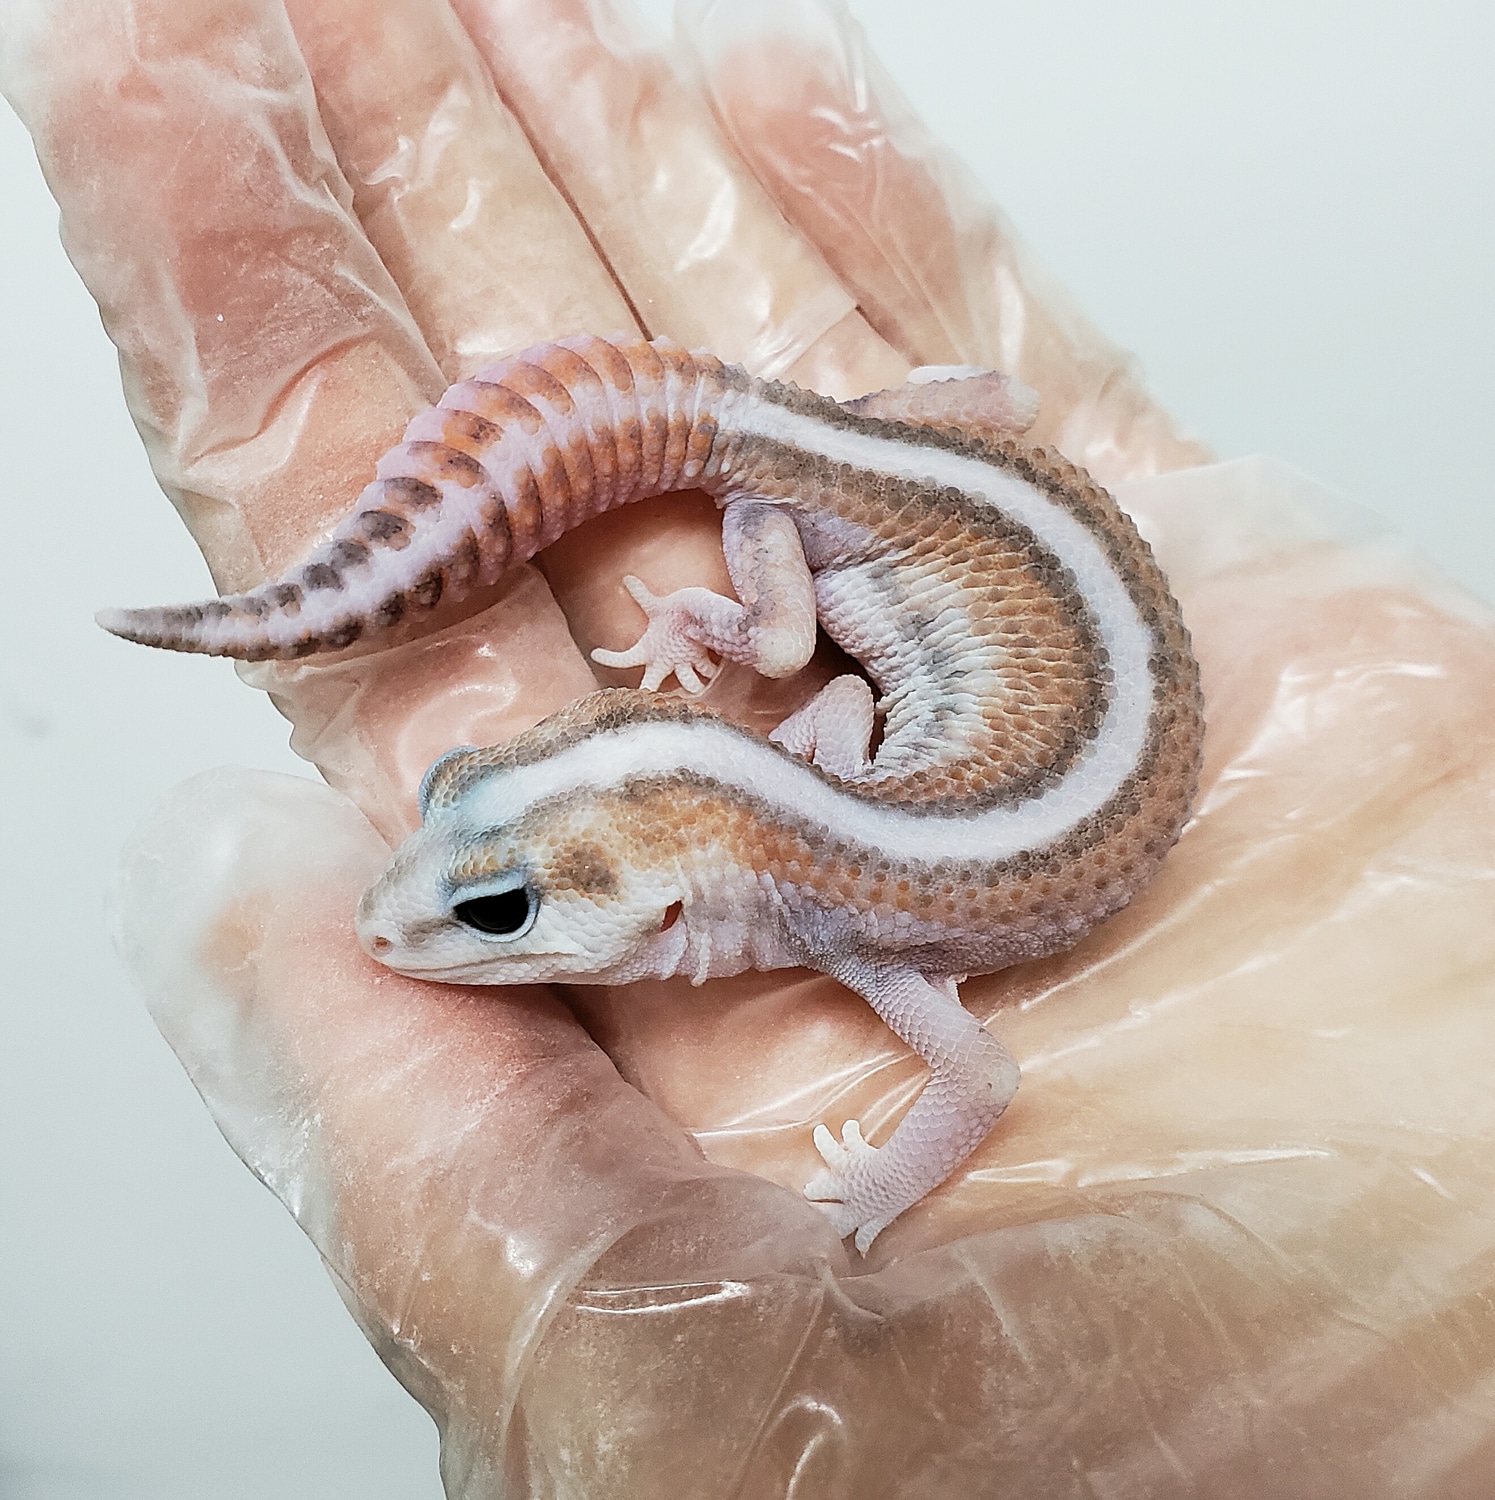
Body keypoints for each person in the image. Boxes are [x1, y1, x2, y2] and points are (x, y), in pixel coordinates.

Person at [7, 0, 1494, 1493]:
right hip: (931, 471)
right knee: (842, 573)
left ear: (674, 910)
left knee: (792, 630)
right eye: (476, 835)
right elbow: (858, 686)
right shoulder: (844, 837)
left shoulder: (871, 914)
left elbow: (980, 1088)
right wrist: (720, 610)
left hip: (890, 501)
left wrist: (875, 1191)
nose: (406, 911)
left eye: (502, 909)